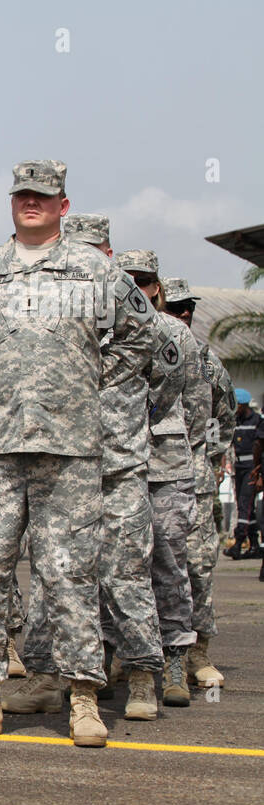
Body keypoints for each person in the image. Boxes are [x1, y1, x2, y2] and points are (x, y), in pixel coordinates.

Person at [0, 160, 153, 747]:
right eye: (22, 195)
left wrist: (93, 385)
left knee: (68, 573)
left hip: (70, 446)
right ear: (12, 203)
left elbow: (141, 335)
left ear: (63, 204)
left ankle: (83, 699)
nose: (31, 203)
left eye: (43, 196)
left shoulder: (94, 270)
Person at [5, 215, 168, 721]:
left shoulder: (137, 320)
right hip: (62, 464)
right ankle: (44, 676)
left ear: (108, 254)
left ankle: (142, 677)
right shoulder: (50, 319)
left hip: (116, 466)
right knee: (54, 573)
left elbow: (165, 383)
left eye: (95, 250)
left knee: (125, 573)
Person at [115, 251, 201, 708]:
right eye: (126, 279)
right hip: (115, 463)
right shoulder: (102, 329)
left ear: (156, 287)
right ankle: (115, 654)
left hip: (165, 466)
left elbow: (195, 404)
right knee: (115, 564)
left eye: (143, 280)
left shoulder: (173, 334)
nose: (135, 287)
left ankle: (174, 657)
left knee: (167, 562)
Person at [164, 277, 232, 687]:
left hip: (193, 477)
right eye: (176, 307)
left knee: (197, 567)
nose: (184, 313)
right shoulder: (138, 350)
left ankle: (197, 653)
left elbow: (221, 420)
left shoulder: (208, 362)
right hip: (144, 474)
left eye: (188, 307)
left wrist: (205, 456)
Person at [226, 388, 262, 558]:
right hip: (238, 468)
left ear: (244, 405)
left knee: (243, 504)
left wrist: (258, 470)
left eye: (237, 405)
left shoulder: (256, 421)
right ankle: (254, 544)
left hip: (251, 468)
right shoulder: (236, 421)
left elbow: (258, 446)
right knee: (248, 508)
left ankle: (239, 542)